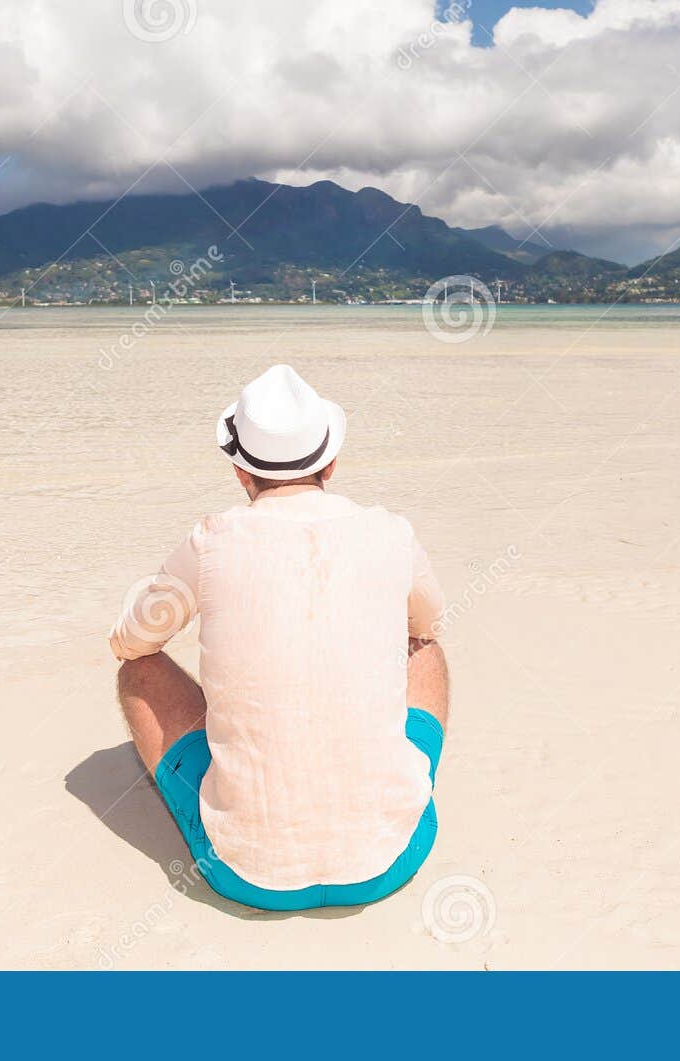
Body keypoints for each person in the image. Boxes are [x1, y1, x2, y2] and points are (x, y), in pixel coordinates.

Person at [108, 364, 449, 911]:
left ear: (241, 473)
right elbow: (427, 627)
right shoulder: (392, 531)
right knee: (425, 649)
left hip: (247, 875)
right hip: (391, 860)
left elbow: (132, 643)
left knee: (139, 671)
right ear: (330, 462)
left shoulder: (210, 540)